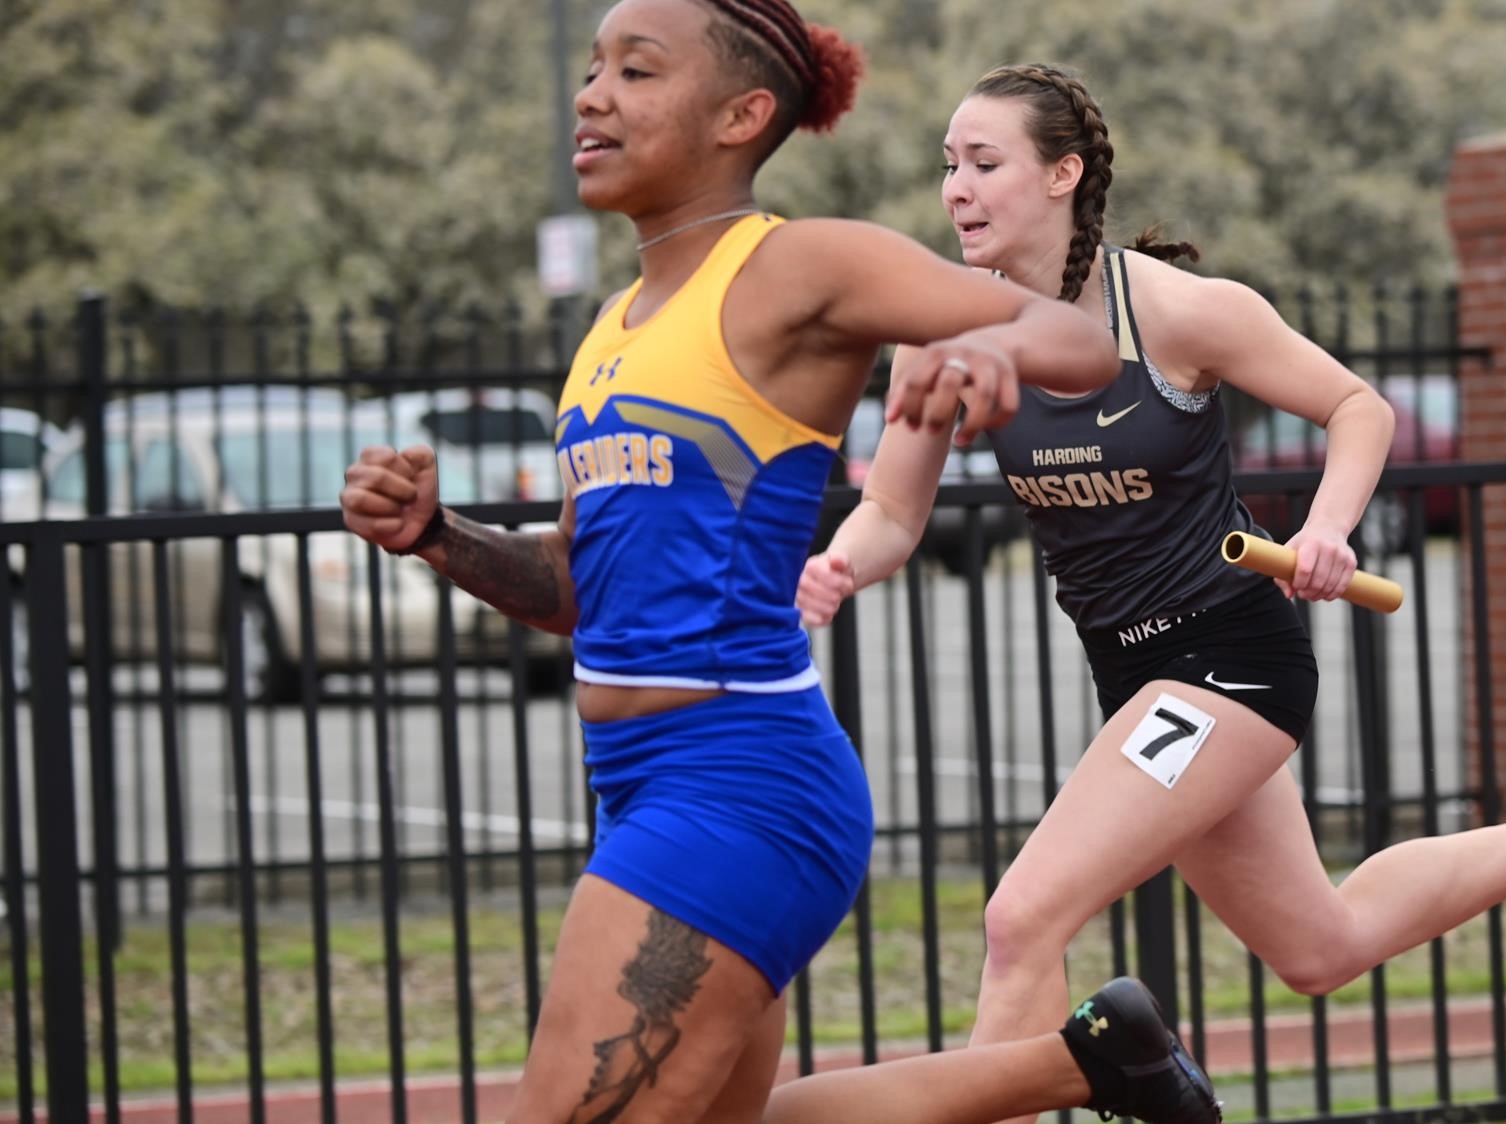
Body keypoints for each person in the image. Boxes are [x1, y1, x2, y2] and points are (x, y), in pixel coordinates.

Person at [339, 4, 1222, 1121]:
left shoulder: (798, 262)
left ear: (741, 113)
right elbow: (577, 586)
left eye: (635, 69)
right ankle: (1088, 1061)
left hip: (737, 783)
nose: (590, 93)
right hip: (637, 783)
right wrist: (436, 534)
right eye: (593, 66)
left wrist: (985, 343)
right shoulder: (611, 329)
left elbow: (1081, 343)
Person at [797, 62, 1506, 1122]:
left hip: (1227, 656)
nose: (954, 187)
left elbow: (1356, 407)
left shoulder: (1175, 311)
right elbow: (893, 511)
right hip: (1134, 675)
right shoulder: (942, 337)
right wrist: (843, 560)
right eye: (947, 164)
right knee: (1321, 945)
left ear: (1061, 175)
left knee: (1022, 915)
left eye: (983, 162)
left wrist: (1323, 527)